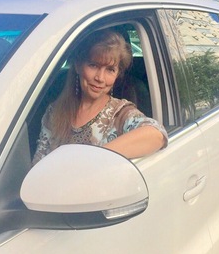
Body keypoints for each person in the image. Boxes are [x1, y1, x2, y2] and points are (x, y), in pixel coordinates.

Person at [32, 29, 168, 164]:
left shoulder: (120, 114)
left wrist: (97, 157)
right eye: (93, 65)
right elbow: (38, 164)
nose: (100, 78)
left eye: (110, 70)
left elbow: (158, 135)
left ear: (117, 74)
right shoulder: (54, 112)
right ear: (78, 66)